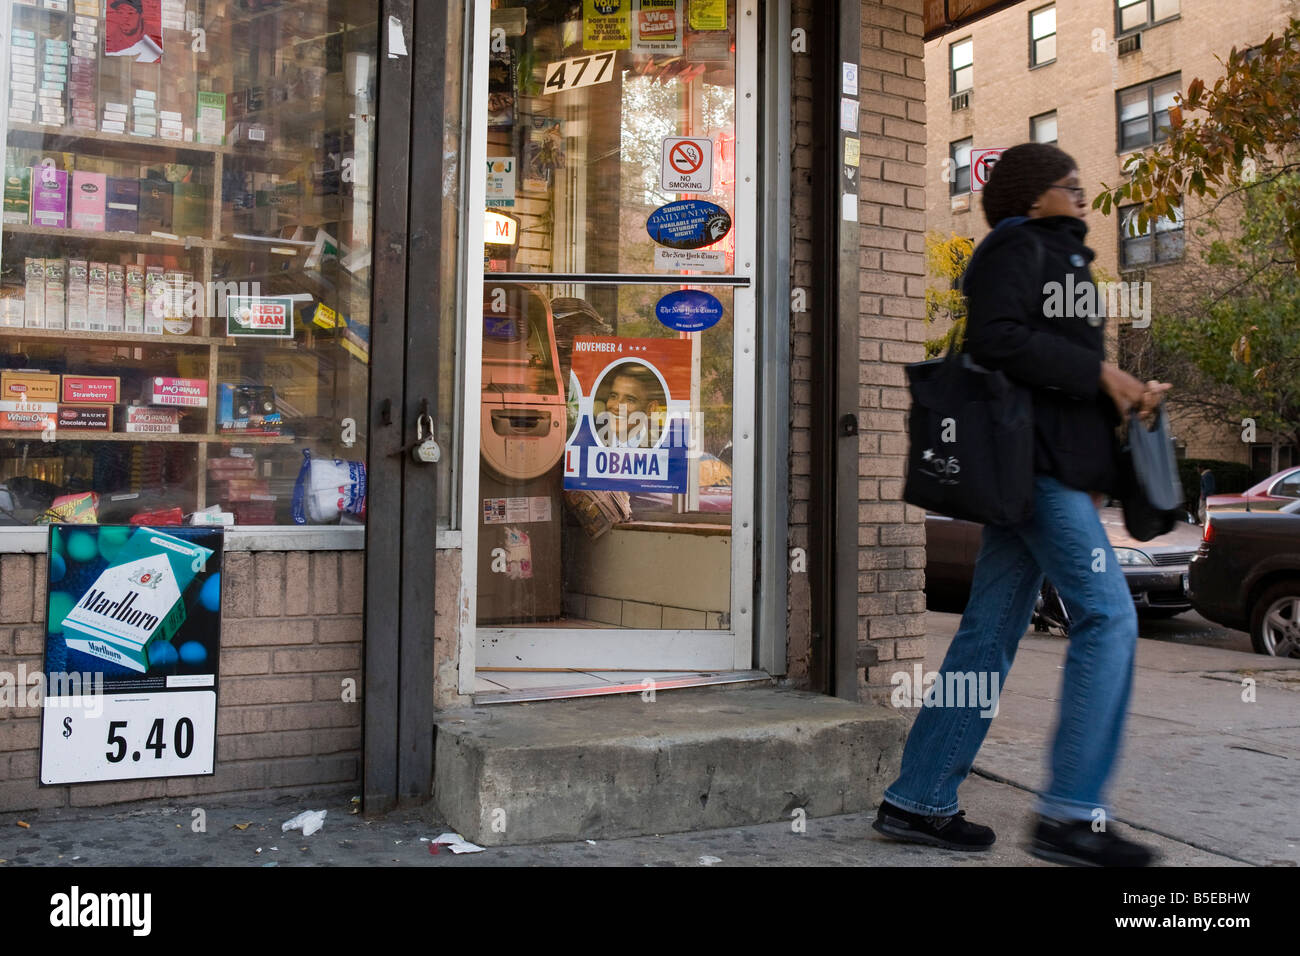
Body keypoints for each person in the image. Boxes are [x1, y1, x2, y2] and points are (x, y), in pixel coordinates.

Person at [873, 143, 1171, 866]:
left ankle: (918, 798)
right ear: (1035, 196)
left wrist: (1107, 424)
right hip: (1032, 472)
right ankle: (1071, 813)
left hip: (1043, 469)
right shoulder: (1018, 248)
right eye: (1069, 187)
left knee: (989, 634)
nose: (1081, 197)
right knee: (1108, 615)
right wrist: (1106, 375)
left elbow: (1046, 375)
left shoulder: (1052, 252)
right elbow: (998, 342)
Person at [598, 364, 664, 449]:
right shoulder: (596, 439)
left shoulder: (662, 445)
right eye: (613, 396)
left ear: (651, 408)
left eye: (630, 400)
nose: (616, 406)